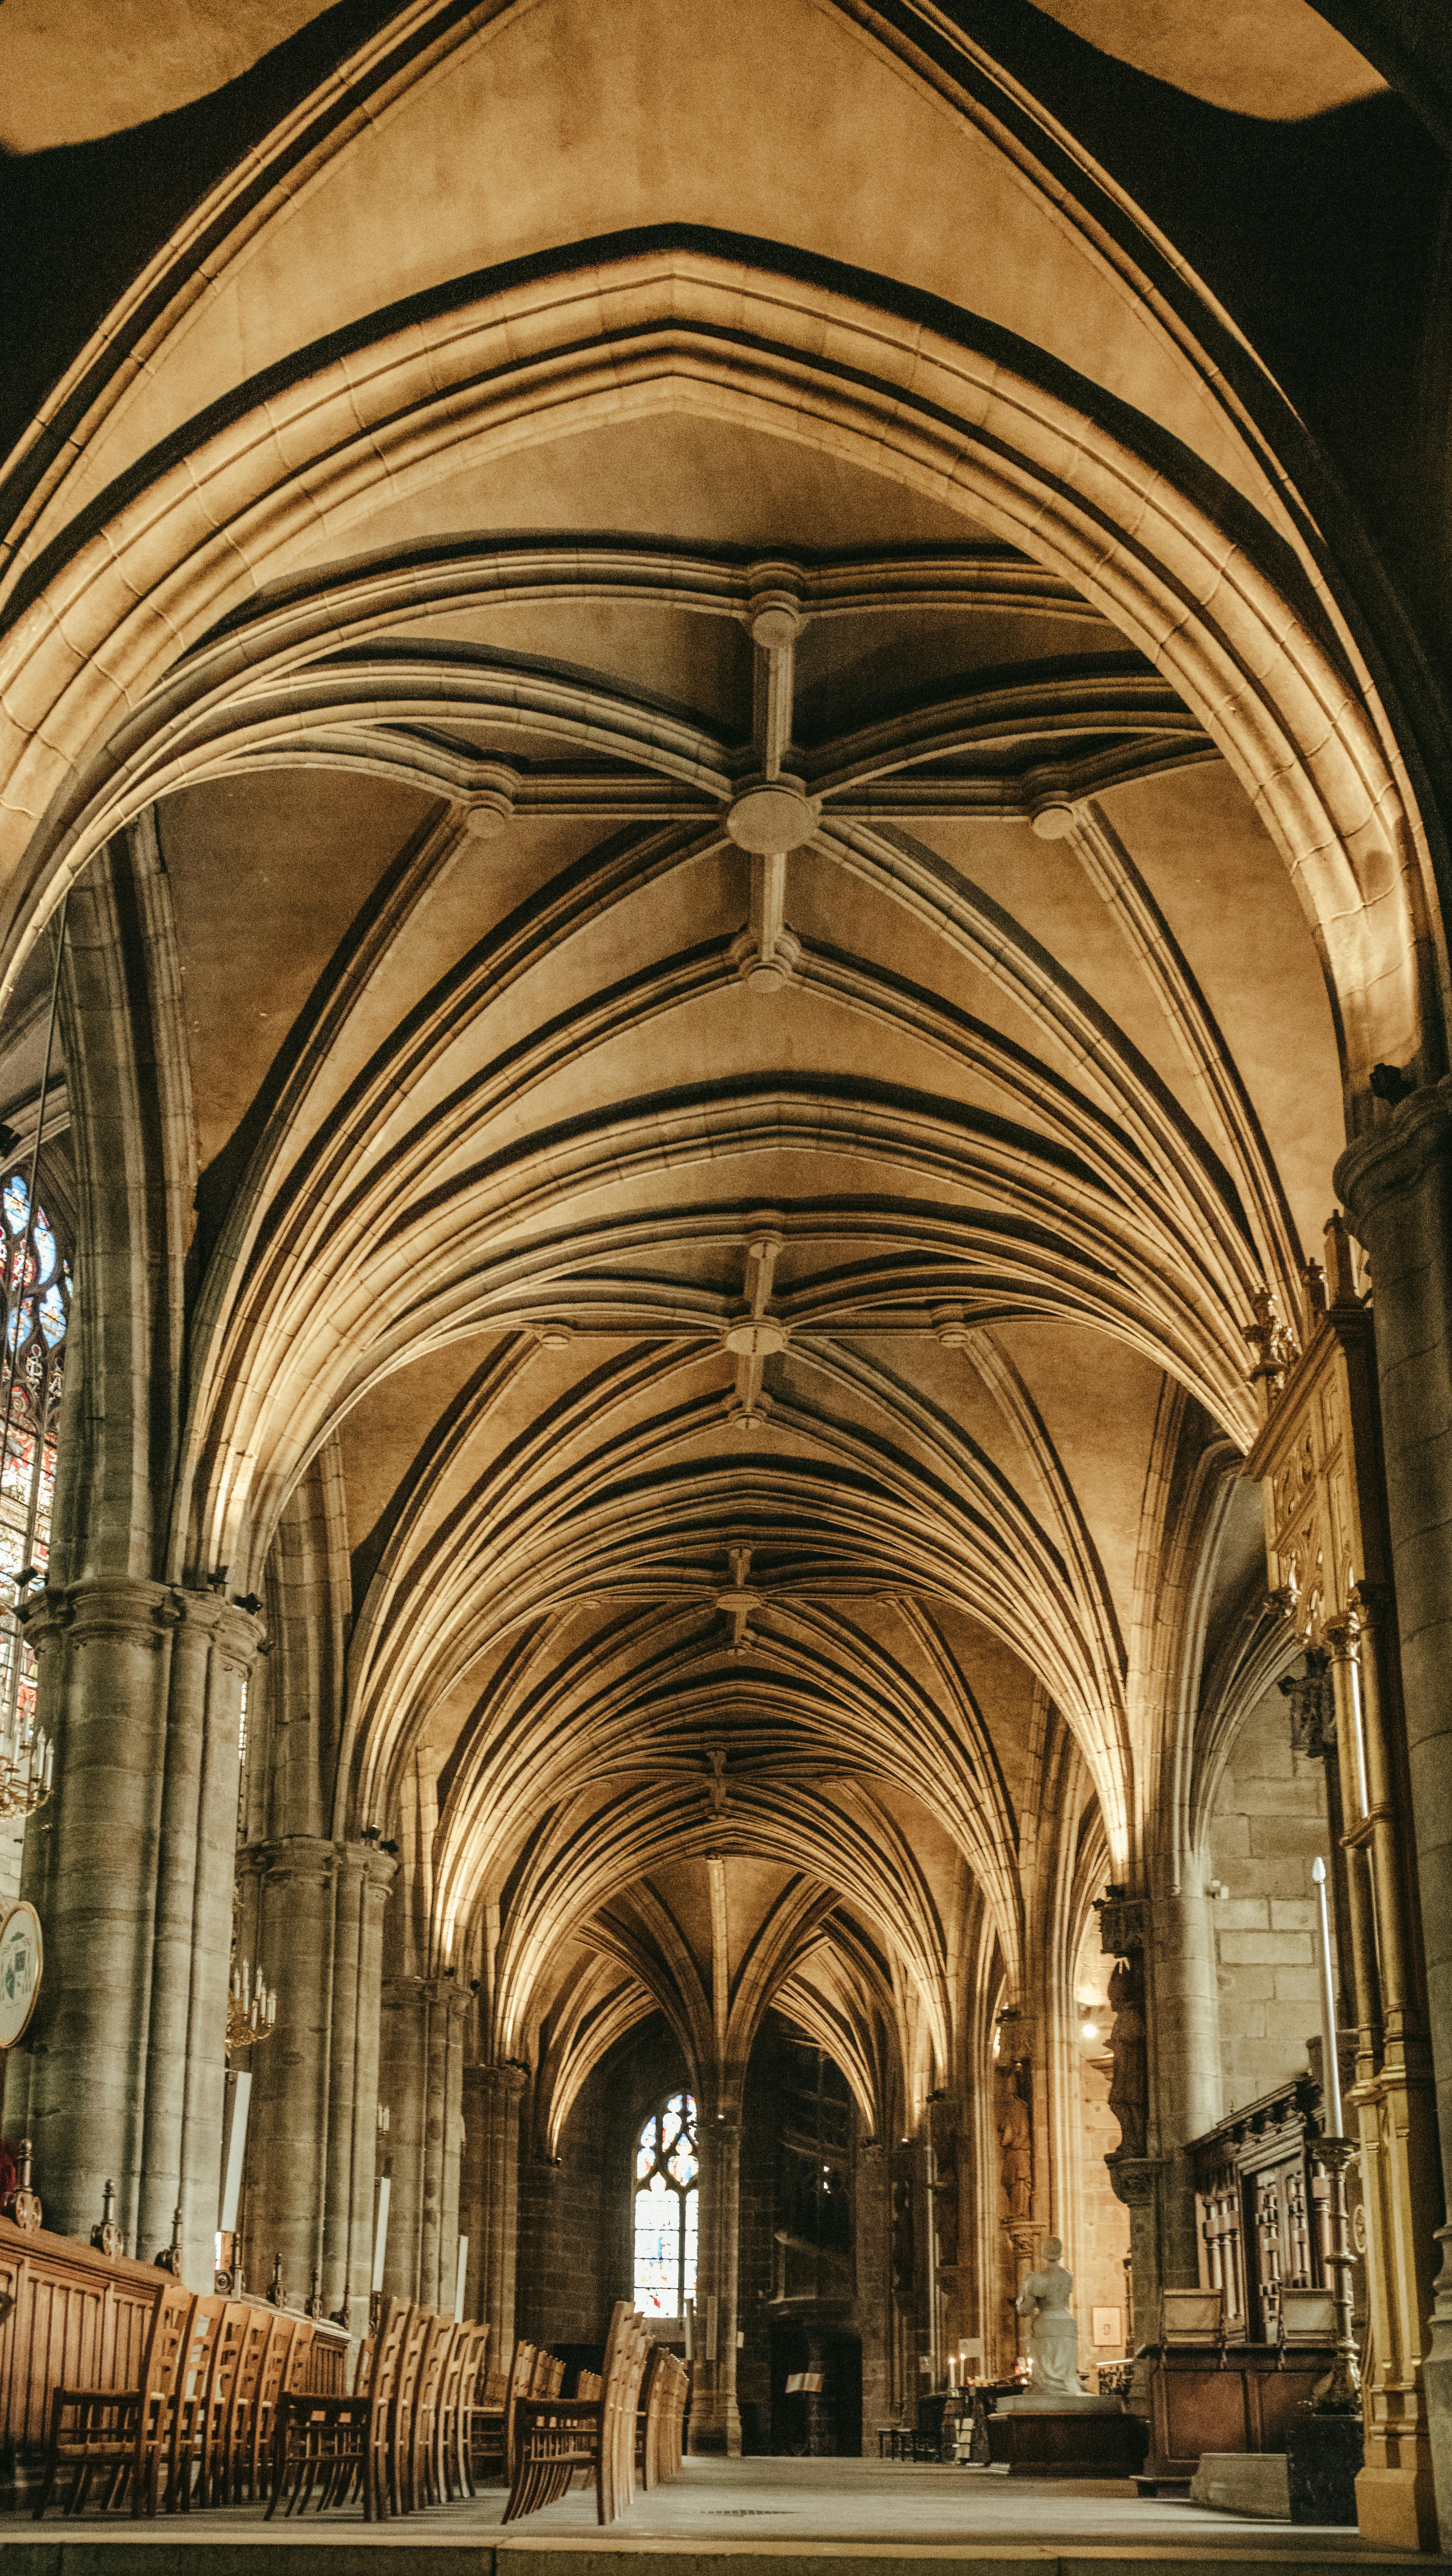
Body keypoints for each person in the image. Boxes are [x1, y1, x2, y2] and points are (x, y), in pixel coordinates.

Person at [1015, 2238, 1081, 2397]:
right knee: (1066, 2378)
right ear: (1060, 2254)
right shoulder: (1068, 2276)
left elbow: (1025, 2311)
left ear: (1042, 2254)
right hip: (1068, 2324)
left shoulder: (1037, 2278)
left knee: (1047, 2384)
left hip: (1047, 2325)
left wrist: (1022, 2294)